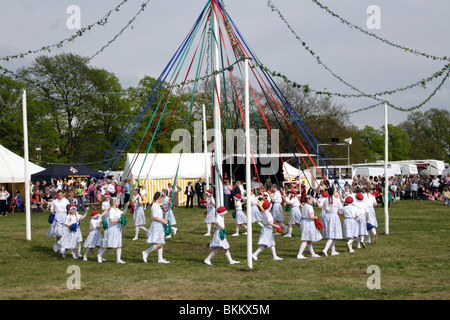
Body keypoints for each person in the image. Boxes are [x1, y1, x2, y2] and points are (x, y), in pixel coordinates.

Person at [142, 191, 170, 264]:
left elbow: (159, 216)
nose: (162, 200)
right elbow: (155, 217)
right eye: (162, 198)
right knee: (160, 243)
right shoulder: (154, 205)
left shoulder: (157, 205)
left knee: (161, 242)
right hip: (156, 225)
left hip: (160, 224)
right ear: (159, 198)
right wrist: (163, 221)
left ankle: (160, 259)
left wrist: (165, 221)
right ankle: (146, 252)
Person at [98, 198, 126, 264]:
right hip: (112, 229)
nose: (118, 202)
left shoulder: (117, 210)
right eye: (117, 201)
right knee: (110, 245)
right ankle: (100, 255)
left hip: (118, 228)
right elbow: (111, 220)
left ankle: (118, 259)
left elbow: (123, 213)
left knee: (119, 244)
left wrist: (126, 206)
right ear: (113, 203)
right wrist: (118, 220)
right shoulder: (111, 211)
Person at [320, 187, 343, 257]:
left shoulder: (325, 200)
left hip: (327, 216)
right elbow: (340, 209)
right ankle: (325, 249)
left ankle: (333, 251)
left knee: (332, 233)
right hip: (334, 216)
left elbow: (323, 208)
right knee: (332, 235)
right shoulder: (336, 200)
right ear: (333, 192)